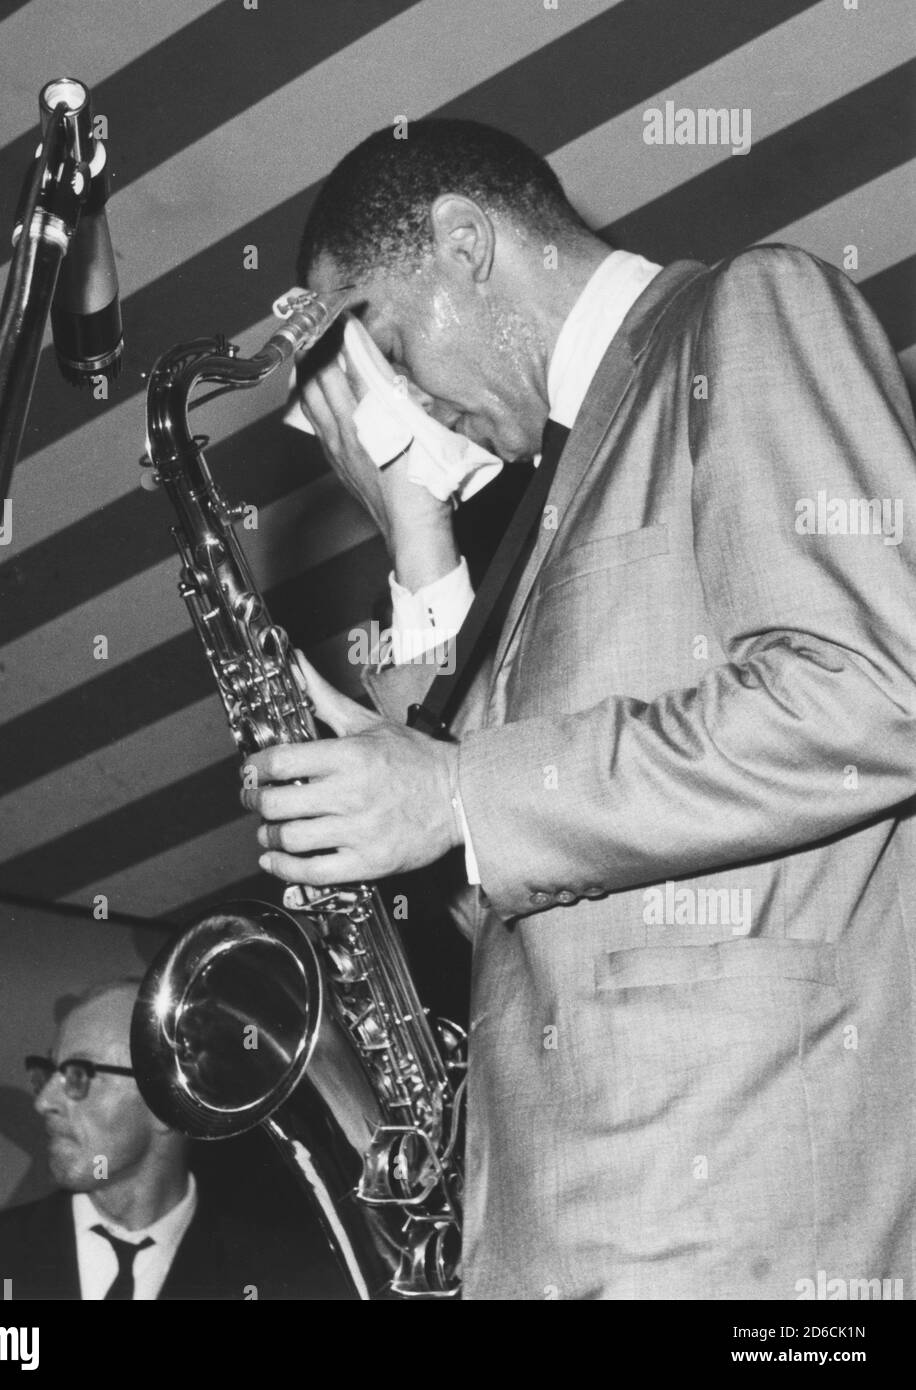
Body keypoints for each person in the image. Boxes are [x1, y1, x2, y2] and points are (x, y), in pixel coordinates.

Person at [240, 120, 916, 1300]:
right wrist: (412, 539)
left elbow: (874, 689)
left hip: (743, 1228)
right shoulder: (556, 488)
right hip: (567, 1235)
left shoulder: (744, 311)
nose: (379, 405)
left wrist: (452, 788)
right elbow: (536, 874)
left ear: (463, 241)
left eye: (381, 346)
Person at [0, 979, 347, 1300]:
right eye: (48, 1073)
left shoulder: (291, 1278)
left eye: (78, 1075)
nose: (44, 1102)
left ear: (166, 1103)